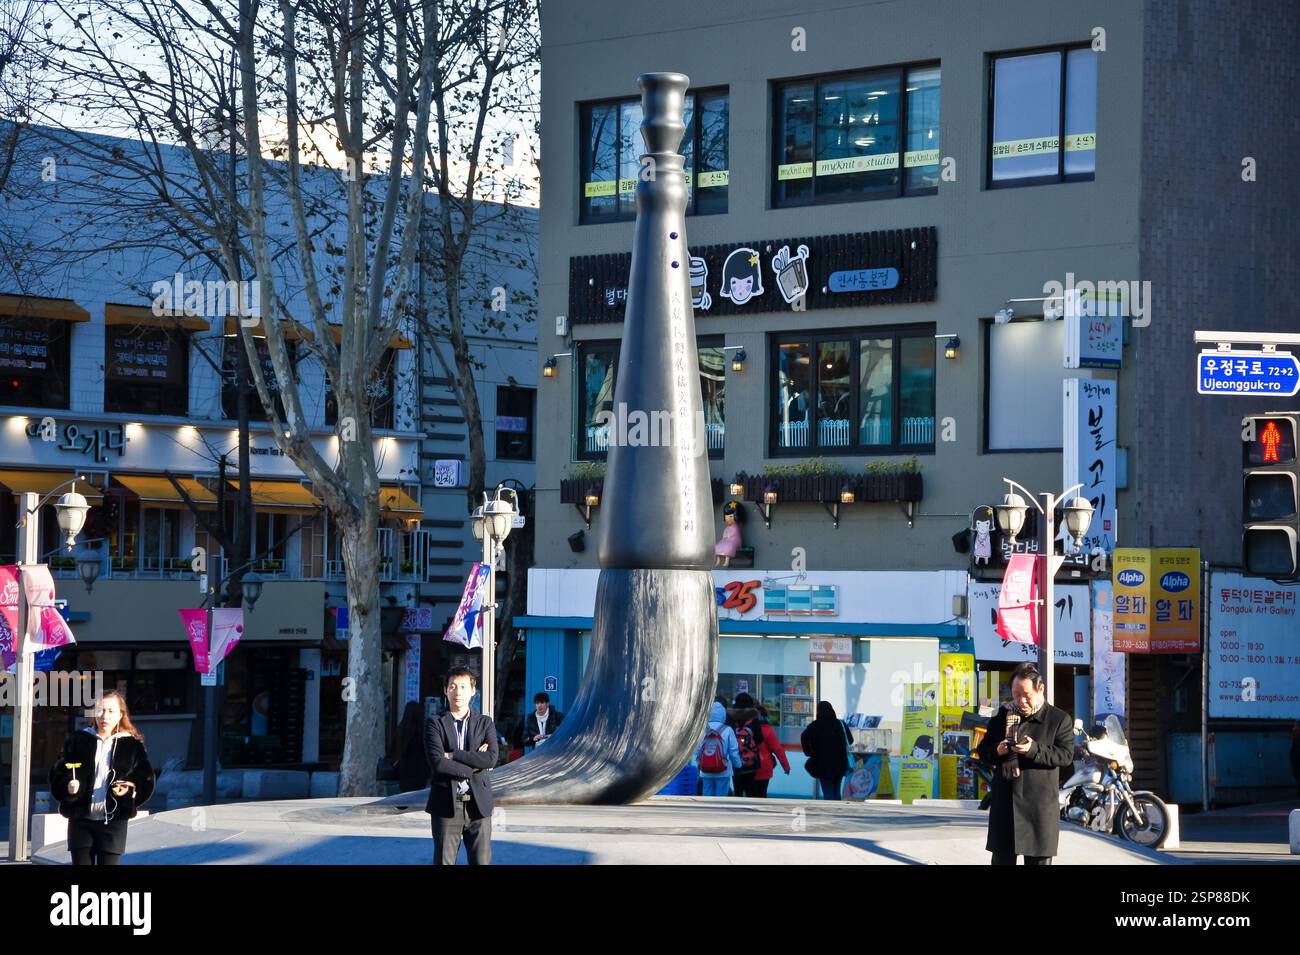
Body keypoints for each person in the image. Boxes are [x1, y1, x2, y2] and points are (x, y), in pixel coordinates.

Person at [975, 662, 1076, 865]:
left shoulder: (1058, 719)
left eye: (1026, 694)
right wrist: (998, 750)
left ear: (1040, 689)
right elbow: (983, 752)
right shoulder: (1002, 715)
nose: (1020, 700)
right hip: (1006, 804)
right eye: (1015, 694)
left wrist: (1033, 750)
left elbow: (1065, 756)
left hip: (1039, 808)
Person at [49, 691, 155, 865]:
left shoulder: (131, 744)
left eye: (111, 711)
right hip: (80, 819)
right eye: (100, 710)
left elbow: (146, 779)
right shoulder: (78, 740)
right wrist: (68, 787)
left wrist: (130, 791)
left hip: (113, 820)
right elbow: (58, 773)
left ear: (121, 714)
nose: (104, 715)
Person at [424, 668, 498, 865]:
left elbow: (490, 759)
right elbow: (438, 763)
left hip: (479, 806)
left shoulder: (485, 723)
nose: (458, 692)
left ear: (473, 691)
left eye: (464, 687)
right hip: (446, 805)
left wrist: (454, 755)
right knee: (444, 862)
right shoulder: (435, 724)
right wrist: (474, 766)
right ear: (445, 691)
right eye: (453, 687)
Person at [729, 696, 789, 797]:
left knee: (738, 793)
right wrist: (786, 767)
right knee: (760, 796)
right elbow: (777, 749)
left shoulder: (735, 725)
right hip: (761, 766)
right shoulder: (767, 730)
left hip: (739, 763)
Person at [801, 701, 851, 800]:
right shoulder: (840, 724)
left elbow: (804, 737)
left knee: (827, 791)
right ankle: (839, 811)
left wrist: (809, 752)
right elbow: (850, 740)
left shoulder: (814, 726)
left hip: (822, 764)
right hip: (840, 763)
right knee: (836, 791)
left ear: (818, 711)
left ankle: (831, 813)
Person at [696, 700, 742, 796]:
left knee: (707, 795)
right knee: (721, 797)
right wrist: (738, 765)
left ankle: (708, 810)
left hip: (705, 770)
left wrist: (699, 763)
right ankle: (720, 810)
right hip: (723, 769)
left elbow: (697, 749)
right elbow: (734, 751)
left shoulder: (702, 729)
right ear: (723, 715)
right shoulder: (728, 730)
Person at [393, 700, 430, 793]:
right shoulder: (423, 731)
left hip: (404, 768)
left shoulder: (401, 729)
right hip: (420, 769)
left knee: (405, 797)